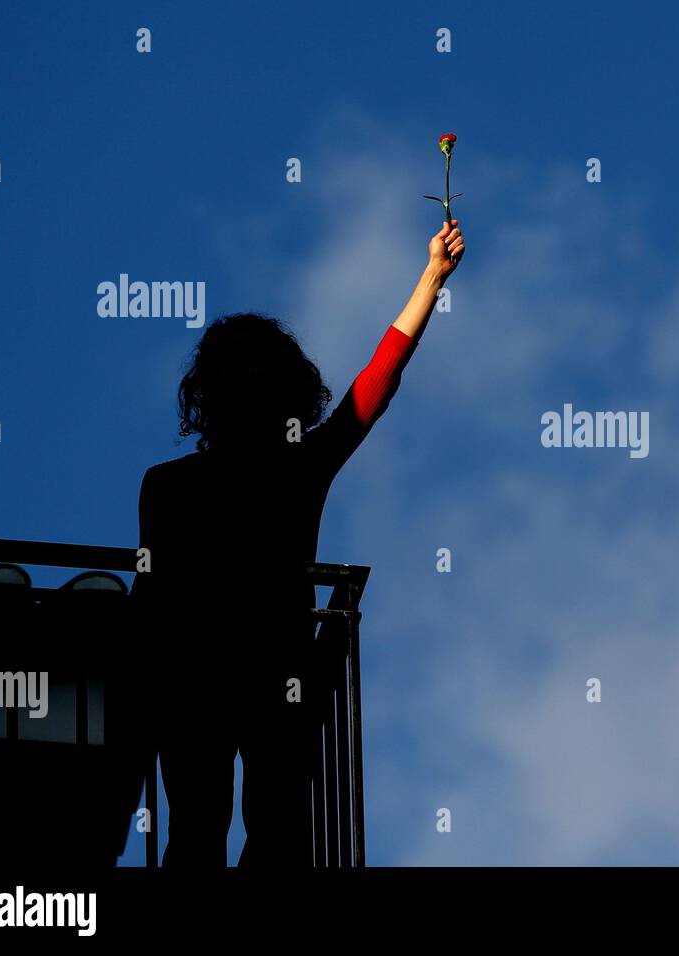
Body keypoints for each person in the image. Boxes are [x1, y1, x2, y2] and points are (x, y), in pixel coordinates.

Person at [130, 220, 464, 866]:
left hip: (238, 675)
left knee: (246, 830)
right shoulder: (250, 473)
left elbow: (376, 386)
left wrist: (431, 279)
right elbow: (373, 389)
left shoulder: (231, 475)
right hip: (233, 674)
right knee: (224, 828)